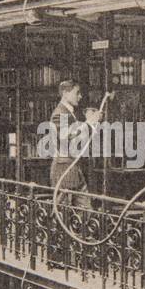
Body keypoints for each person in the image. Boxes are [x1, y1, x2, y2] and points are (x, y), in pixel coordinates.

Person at [49, 78, 100, 209]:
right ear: (65, 93)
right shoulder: (59, 114)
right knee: (63, 213)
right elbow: (67, 136)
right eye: (77, 93)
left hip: (73, 169)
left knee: (85, 211)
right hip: (64, 170)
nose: (80, 96)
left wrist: (92, 126)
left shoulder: (69, 113)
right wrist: (88, 124)